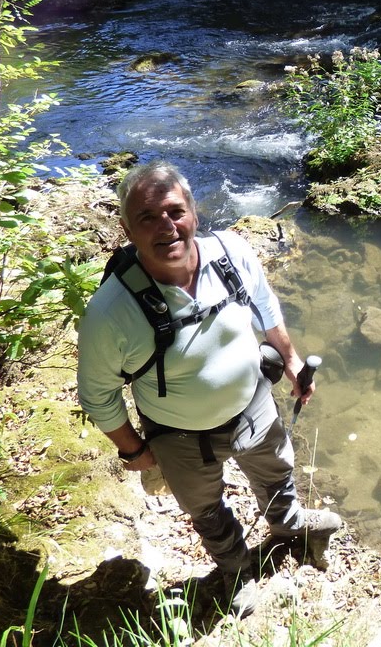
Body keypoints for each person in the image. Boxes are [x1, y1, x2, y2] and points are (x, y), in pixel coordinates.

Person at [76, 160, 341, 617]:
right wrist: (135, 451)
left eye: (175, 212)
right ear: (126, 228)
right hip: (178, 434)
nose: (166, 227)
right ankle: (236, 569)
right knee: (206, 510)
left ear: (194, 213)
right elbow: (97, 395)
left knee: (277, 471)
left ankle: (289, 527)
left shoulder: (232, 253)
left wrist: (292, 360)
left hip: (253, 403)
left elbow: (264, 305)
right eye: (147, 217)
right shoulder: (110, 312)